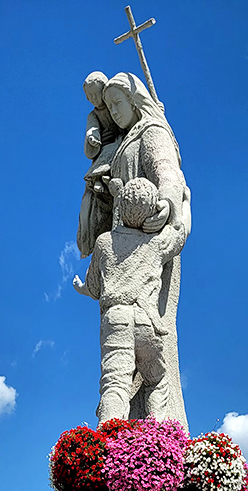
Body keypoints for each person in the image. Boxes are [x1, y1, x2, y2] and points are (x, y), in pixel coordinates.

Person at [73, 177, 185, 423]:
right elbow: (179, 233)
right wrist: (182, 201)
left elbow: (94, 286)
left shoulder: (104, 243)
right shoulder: (155, 243)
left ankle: (110, 448)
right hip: (147, 320)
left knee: (115, 384)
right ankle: (160, 439)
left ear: (120, 208)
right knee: (157, 380)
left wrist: (82, 288)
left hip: (116, 319)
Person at [76, 72, 121, 258]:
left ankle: (99, 178)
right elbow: (92, 129)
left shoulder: (115, 104)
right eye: (90, 97)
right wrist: (94, 138)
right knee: (107, 153)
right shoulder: (93, 115)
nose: (94, 100)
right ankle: (98, 179)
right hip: (104, 149)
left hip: (120, 143)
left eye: (96, 94)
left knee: (114, 150)